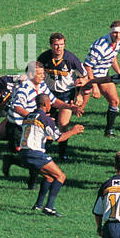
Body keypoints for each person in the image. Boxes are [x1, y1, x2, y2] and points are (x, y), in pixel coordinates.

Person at [19, 94, 84, 216]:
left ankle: (38, 205)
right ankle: (49, 207)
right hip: (35, 153)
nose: (51, 106)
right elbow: (59, 138)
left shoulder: (28, 116)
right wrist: (73, 131)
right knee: (61, 176)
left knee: (49, 177)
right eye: (50, 103)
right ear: (45, 104)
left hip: (23, 153)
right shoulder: (45, 119)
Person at [35, 33, 88, 161]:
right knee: (45, 123)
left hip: (66, 94)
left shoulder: (71, 59)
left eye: (61, 45)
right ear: (51, 45)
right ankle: (43, 152)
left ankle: (62, 154)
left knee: (63, 124)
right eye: (56, 45)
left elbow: (85, 77)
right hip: (49, 95)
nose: (58, 48)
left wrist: (80, 93)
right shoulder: (44, 57)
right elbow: (35, 72)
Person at [84, 21, 120, 136]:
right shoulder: (100, 46)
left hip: (103, 74)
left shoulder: (118, 42)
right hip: (94, 75)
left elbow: (113, 58)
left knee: (114, 101)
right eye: (115, 33)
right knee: (79, 106)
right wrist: (95, 86)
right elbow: (87, 66)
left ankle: (109, 131)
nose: (117, 36)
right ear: (110, 32)